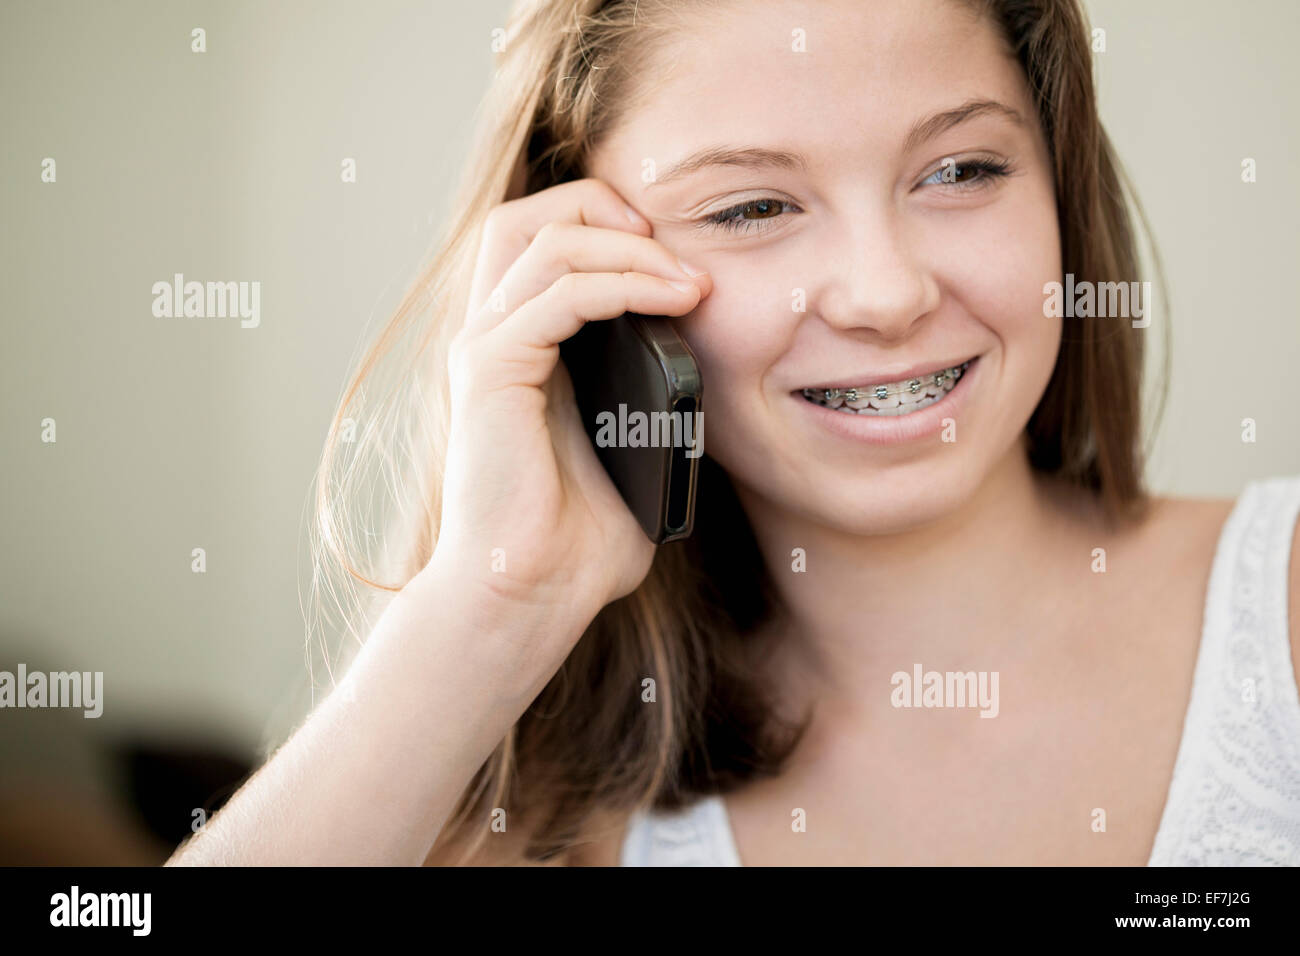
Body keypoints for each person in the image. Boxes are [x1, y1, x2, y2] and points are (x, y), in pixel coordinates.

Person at [167, 0, 1300, 867]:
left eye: (960, 169)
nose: (882, 292)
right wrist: (490, 606)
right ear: (590, 283)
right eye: (753, 206)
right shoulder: (565, 813)